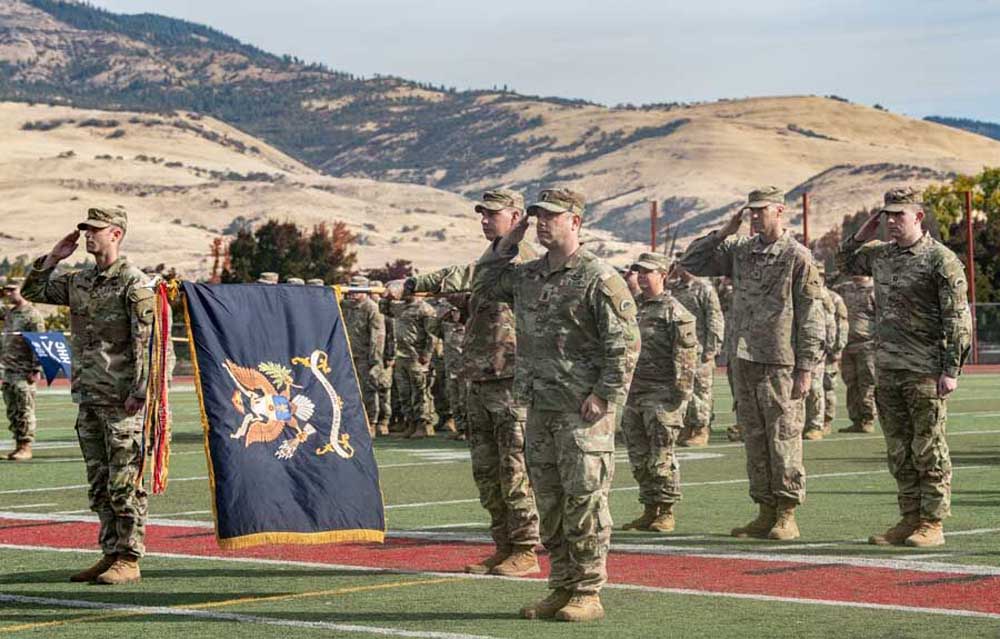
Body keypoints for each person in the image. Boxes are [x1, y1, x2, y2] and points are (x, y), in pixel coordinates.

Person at [473, 187, 640, 622]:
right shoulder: (527, 275)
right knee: (549, 504)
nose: (542, 223)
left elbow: (625, 345)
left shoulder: (598, 277)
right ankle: (561, 585)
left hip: (582, 412)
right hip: (539, 407)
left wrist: (603, 394)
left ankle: (587, 591)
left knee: (584, 502)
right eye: (537, 216)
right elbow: (484, 285)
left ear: (575, 222)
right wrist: (508, 243)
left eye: (551, 216)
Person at [398, 189, 541, 577]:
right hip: (480, 377)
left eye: (492, 214)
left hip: (509, 380)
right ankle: (503, 545)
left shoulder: (520, 258)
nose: (484, 220)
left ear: (516, 217)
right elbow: (473, 285)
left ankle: (525, 549)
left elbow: (463, 276)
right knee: (487, 471)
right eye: (482, 214)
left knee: (514, 470)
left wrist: (414, 284)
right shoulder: (492, 259)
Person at [679, 186, 824, 541]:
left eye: (761, 210)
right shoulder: (740, 251)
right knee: (754, 437)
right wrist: (725, 231)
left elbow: (810, 314)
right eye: (751, 211)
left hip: (780, 362)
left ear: (780, 211)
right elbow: (691, 262)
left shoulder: (796, 256)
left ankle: (786, 512)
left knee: (783, 436)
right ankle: (764, 509)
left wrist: (806, 367)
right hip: (743, 359)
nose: (755, 216)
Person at [23, 206, 155, 584]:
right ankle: (110, 552)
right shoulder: (80, 280)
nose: (87, 235)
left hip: (122, 399)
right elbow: (33, 290)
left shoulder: (133, 283)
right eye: (85, 229)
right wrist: (54, 258)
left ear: (116, 234)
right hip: (89, 395)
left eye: (95, 229)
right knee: (99, 484)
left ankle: (129, 557)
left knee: (124, 482)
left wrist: (140, 391)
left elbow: (147, 342)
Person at [837, 186, 972, 547]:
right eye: (887, 216)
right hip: (888, 368)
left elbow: (958, 319)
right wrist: (863, 233)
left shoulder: (940, 259)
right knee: (899, 450)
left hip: (924, 369)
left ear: (918, 217)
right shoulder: (881, 255)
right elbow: (845, 262)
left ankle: (932, 522)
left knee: (928, 448)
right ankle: (909, 518)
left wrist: (951, 370)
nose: (892, 222)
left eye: (900, 215)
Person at [620, 253, 697, 532]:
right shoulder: (633, 307)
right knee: (639, 455)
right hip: (634, 392)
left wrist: (681, 396)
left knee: (661, 455)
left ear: (663, 275)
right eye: (639, 272)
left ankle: (666, 510)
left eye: (648, 272)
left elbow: (685, 356)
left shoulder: (674, 311)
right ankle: (649, 507)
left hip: (662, 394)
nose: (642, 277)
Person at [668, 259, 724, 447]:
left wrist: (711, 349)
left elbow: (714, 319)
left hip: (699, 349)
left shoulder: (704, 289)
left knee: (701, 391)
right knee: (683, 391)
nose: (681, 268)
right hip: (680, 350)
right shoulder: (675, 289)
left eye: (685, 264)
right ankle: (686, 427)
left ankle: (701, 429)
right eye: (678, 264)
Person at [1, 277, 46, 461]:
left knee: (24, 409)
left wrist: (36, 368)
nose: (9, 294)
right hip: (9, 369)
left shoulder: (32, 315)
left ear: (22, 290)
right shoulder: (10, 313)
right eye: (6, 290)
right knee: (13, 410)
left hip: (24, 370)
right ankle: (18, 445)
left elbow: (40, 342)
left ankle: (26, 446)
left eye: (13, 290)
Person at [340, 275, 386, 437]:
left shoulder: (372, 308)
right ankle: (353, 422)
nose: (352, 294)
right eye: (351, 290)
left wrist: (375, 360)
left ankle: (371, 422)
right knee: (349, 391)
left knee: (368, 390)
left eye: (357, 290)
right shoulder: (346, 306)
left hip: (365, 357)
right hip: (348, 356)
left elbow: (377, 337)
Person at [392, 286, 439, 438]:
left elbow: (432, 335)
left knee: (420, 391)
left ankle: (423, 424)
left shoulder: (425, 309)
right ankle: (411, 422)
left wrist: (427, 354)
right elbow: (384, 308)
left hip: (417, 355)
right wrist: (388, 294)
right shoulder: (400, 307)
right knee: (404, 392)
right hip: (402, 355)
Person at [835, 274, 878, 432]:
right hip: (847, 344)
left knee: (867, 384)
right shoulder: (844, 289)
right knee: (851, 384)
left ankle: (868, 419)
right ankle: (856, 420)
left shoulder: (875, 291)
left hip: (867, 345)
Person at [802, 265, 840, 441]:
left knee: (815, 387)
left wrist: (831, 347)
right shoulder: (799, 289)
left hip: (816, 346)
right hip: (798, 345)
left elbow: (830, 322)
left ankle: (815, 425)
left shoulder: (823, 295)